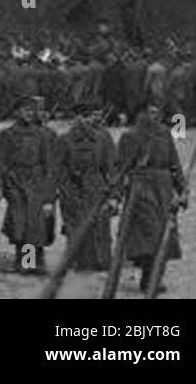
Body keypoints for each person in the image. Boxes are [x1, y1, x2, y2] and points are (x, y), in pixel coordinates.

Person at [117, 103, 186, 294]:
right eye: (150, 112)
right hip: (141, 189)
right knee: (149, 233)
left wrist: (182, 189)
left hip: (163, 189)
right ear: (141, 114)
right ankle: (148, 276)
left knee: (164, 234)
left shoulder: (164, 133)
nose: (155, 116)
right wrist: (116, 195)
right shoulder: (129, 136)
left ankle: (153, 277)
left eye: (157, 113)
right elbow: (121, 168)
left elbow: (174, 163)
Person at [0, 95, 56, 274]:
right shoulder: (7, 134)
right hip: (17, 182)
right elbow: (0, 162)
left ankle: (36, 259)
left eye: (31, 110)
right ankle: (25, 260)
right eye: (25, 110)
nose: (29, 114)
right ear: (16, 112)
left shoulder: (41, 134)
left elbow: (48, 163)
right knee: (20, 223)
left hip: (36, 181)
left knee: (36, 224)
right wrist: (5, 184)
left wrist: (48, 188)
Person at [55, 103, 115, 271]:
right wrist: (59, 192)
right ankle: (78, 262)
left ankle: (99, 261)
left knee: (99, 225)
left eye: (90, 117)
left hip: (96, 188)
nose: (87, 122)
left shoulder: (102, 140)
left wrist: (114, 195)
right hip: (72, 189)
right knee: (76, 225)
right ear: (75, 119)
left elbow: (110, 168)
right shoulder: (64, 140)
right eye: (82, 117)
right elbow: (56, 170)